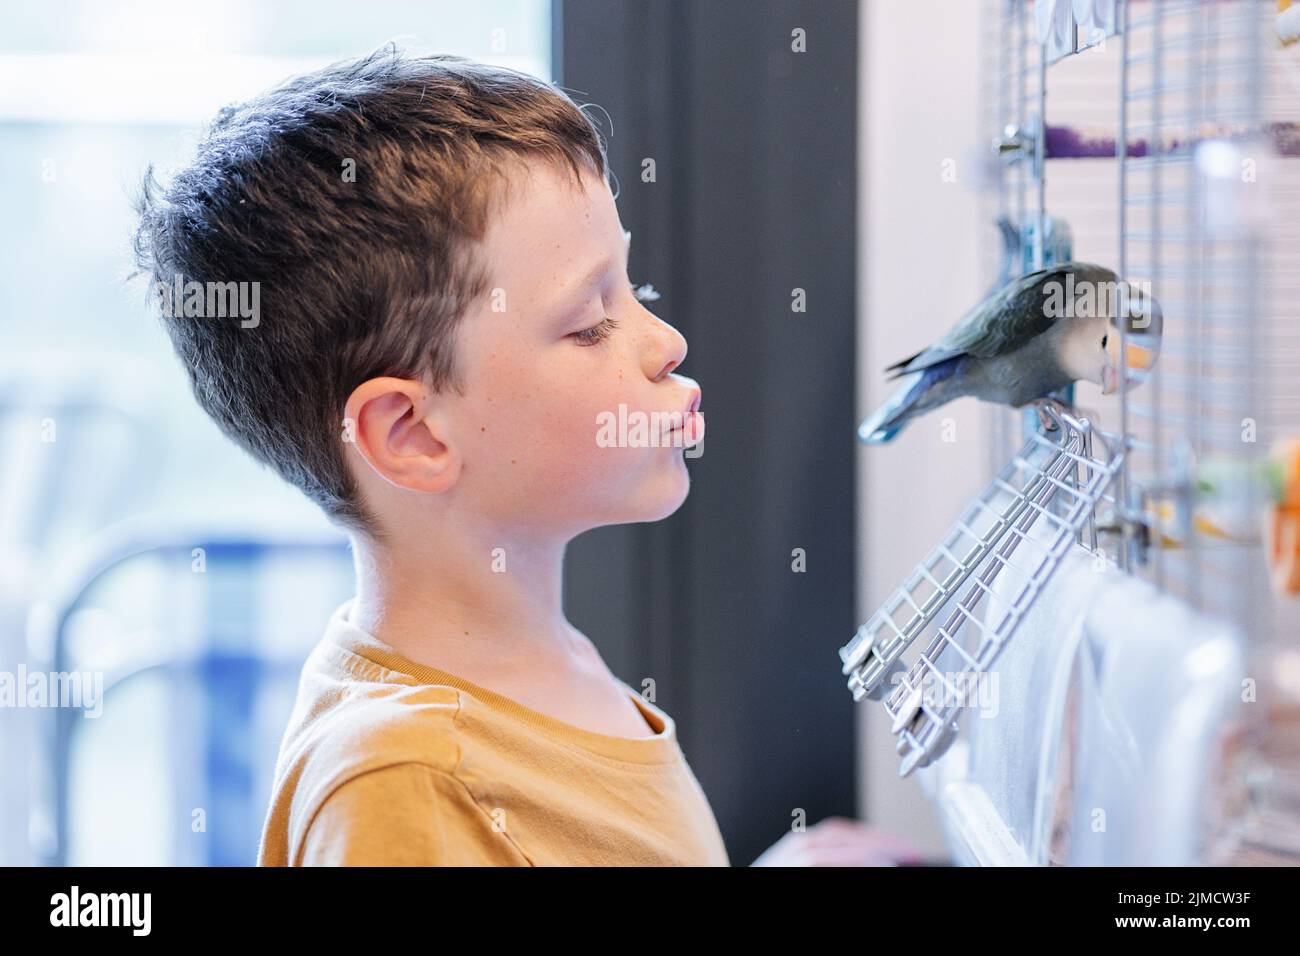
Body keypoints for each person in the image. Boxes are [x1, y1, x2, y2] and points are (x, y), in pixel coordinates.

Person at [132, 45, 920, 867]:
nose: (666, 343)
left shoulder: (540, 667)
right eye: (589, 323)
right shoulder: (407, 786)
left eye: (634, 291)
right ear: (412, 433)